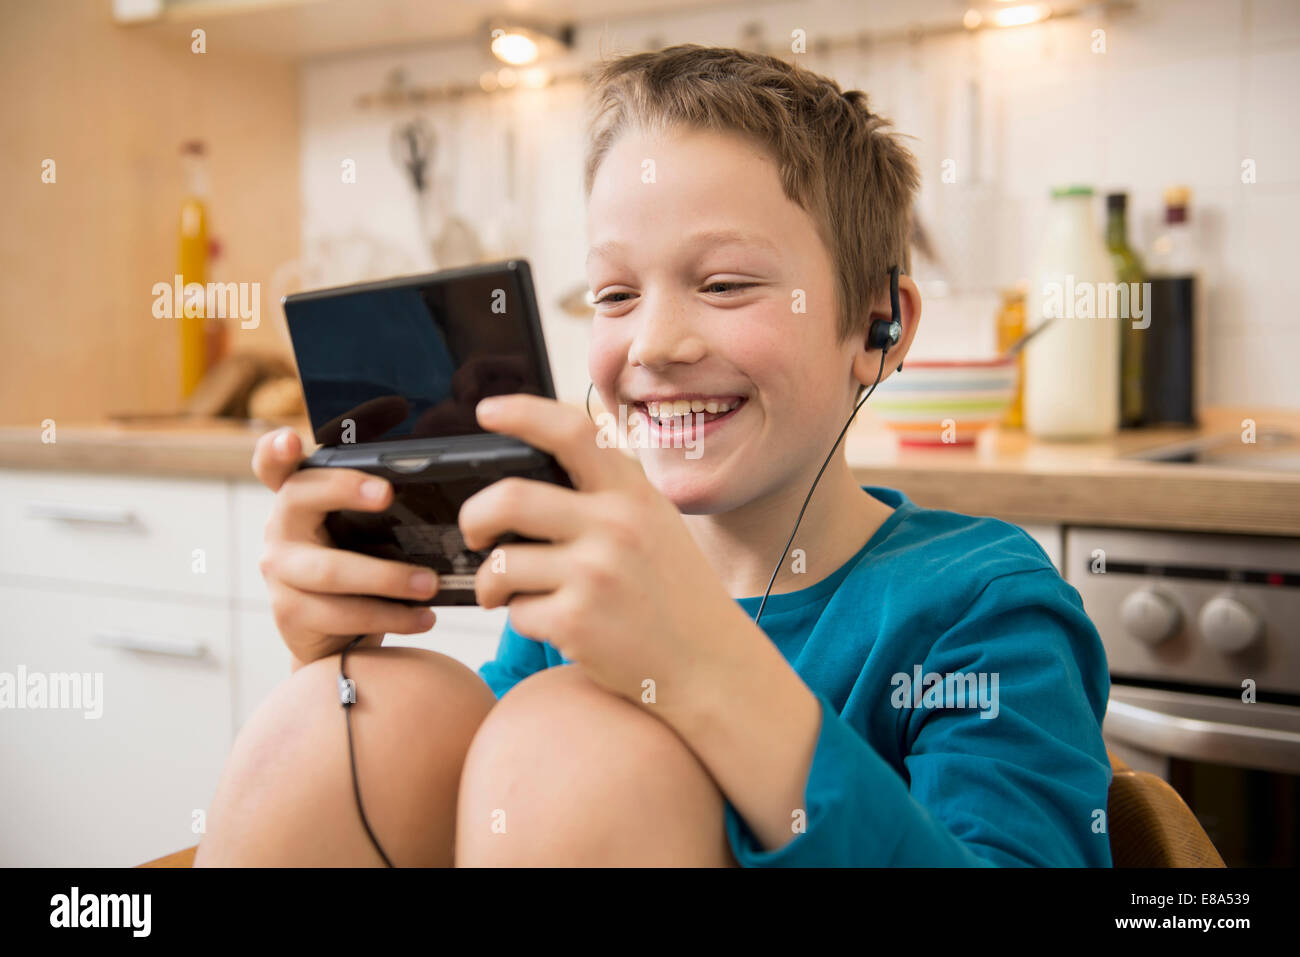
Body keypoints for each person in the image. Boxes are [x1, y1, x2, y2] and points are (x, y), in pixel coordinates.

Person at [195, 44, 1112, 867]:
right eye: (615, 293)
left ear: (878, 327)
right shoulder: (579, 582)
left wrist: (708, 667)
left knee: (573, 734)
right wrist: (339, 652)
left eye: (723, 283)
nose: (655, 345)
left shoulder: (981, 606)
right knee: (357, 711)